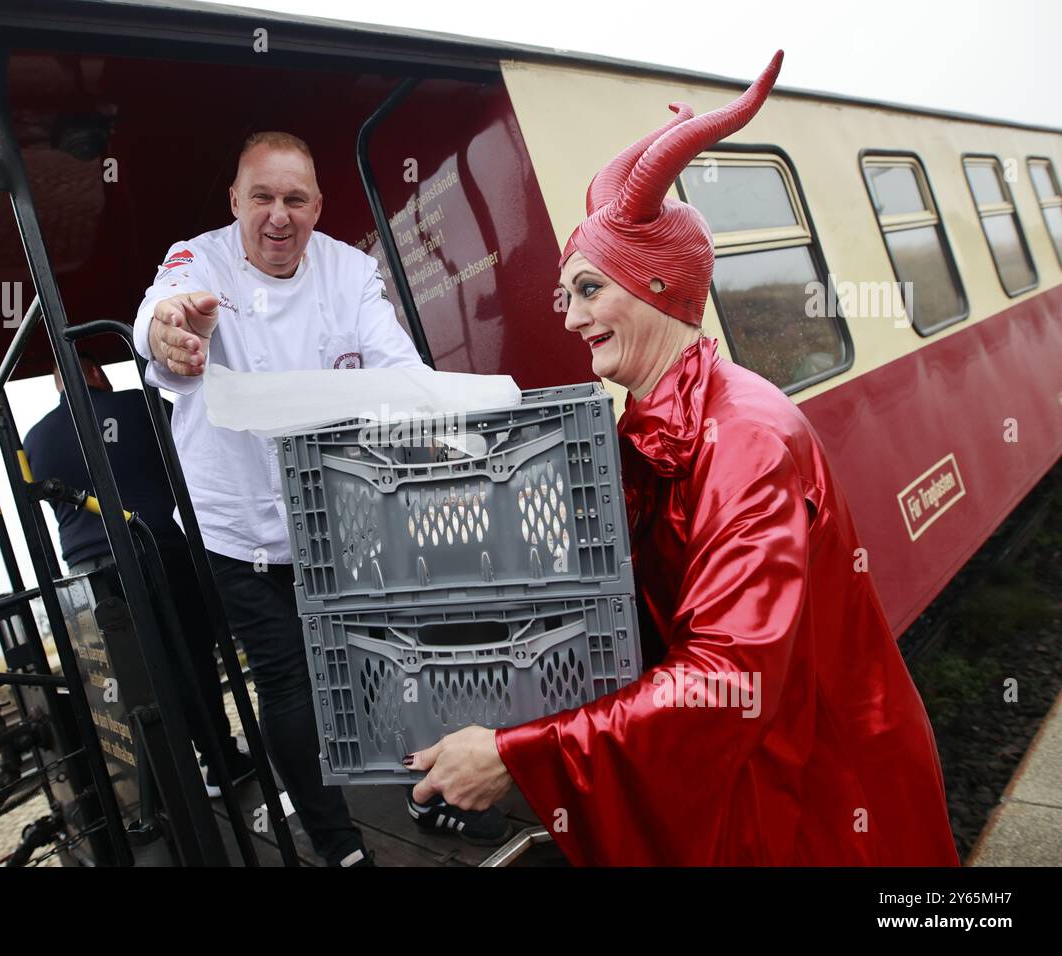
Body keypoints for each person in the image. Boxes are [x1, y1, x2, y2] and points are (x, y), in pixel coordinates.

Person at [406, 52, 961, 866]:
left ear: (659, 287)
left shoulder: (744, 441)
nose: (570, 317)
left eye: (590, 290)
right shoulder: (658, 415)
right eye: (568, 294)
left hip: (820, 791)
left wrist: (519, 751)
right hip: (770, 762)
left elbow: (725, 678)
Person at [131, 131, 510, 866]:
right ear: (236, 201)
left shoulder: (347, 269)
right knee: (290, 682)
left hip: (340, 515)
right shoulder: (198, 258)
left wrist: (434, 419)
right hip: (235, 525)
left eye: (295, 199)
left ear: (317, 206)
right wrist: (170, 333)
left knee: (387, 660)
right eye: (262, 198)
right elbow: (162, 313)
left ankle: (426, 790)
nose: (279, 216)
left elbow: (394, 361)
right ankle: (340, 848)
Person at [23, 353, 255, 797]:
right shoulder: (140, 405)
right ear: (91, 371)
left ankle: (163, 784)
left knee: (136, 674)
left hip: (88, 574)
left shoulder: (35, 440)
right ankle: (220, 760)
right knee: (190, 654)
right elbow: (199, 457)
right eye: (101, 369)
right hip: (155, 546)